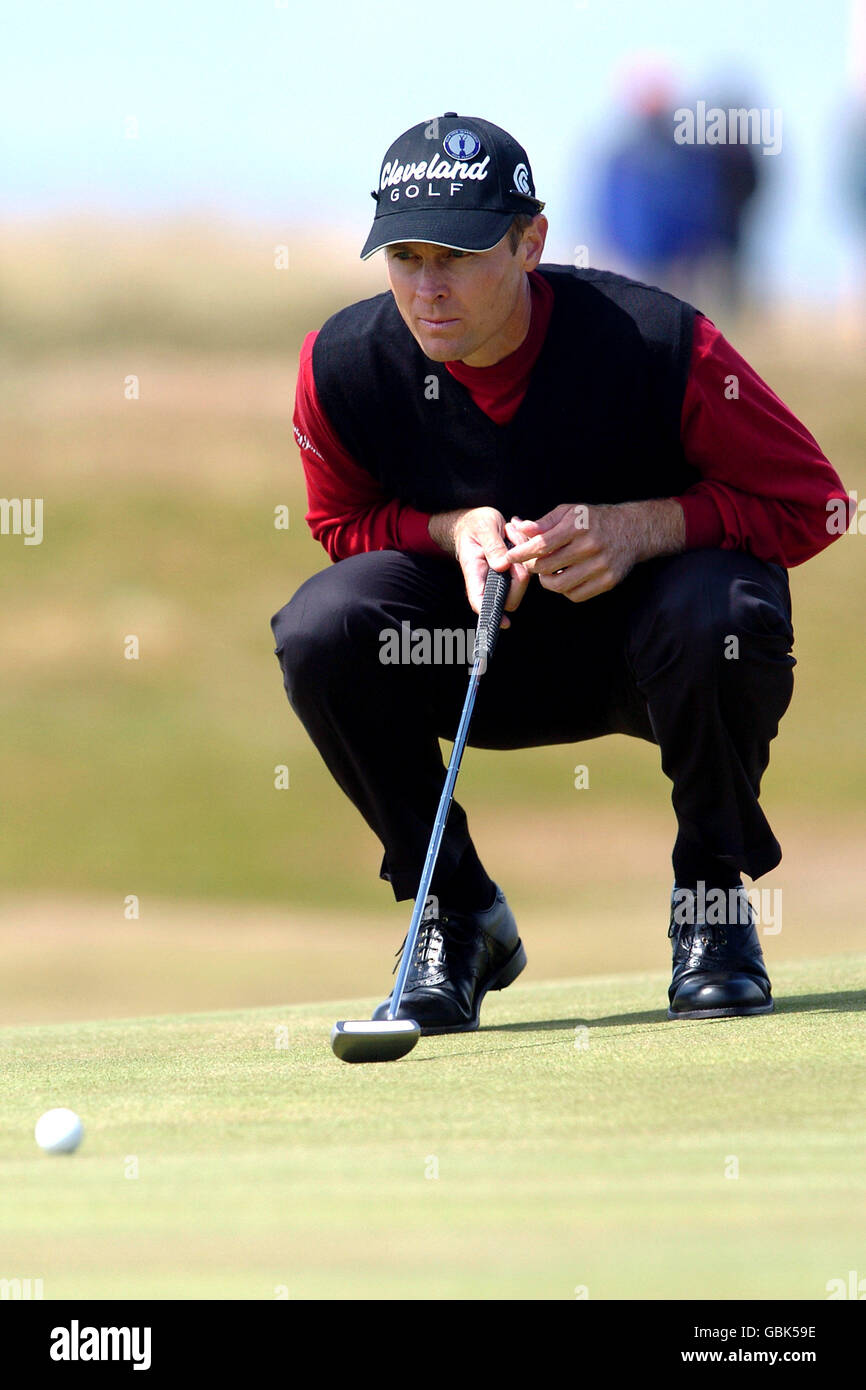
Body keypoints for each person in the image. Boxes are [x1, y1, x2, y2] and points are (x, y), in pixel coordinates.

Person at [271, 112, 851, 1032]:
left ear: (530, 242)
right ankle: (457, 912)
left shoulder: (660, 344)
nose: (428, 290)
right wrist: (446, 528)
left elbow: (819, 505)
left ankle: (710, 900)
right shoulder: (343, 366)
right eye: (405, 257)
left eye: (457, 255)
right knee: (320, 628)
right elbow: (340, 523)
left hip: (652, 656)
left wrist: (647, 526)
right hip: (474, 660)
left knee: (723, 610)